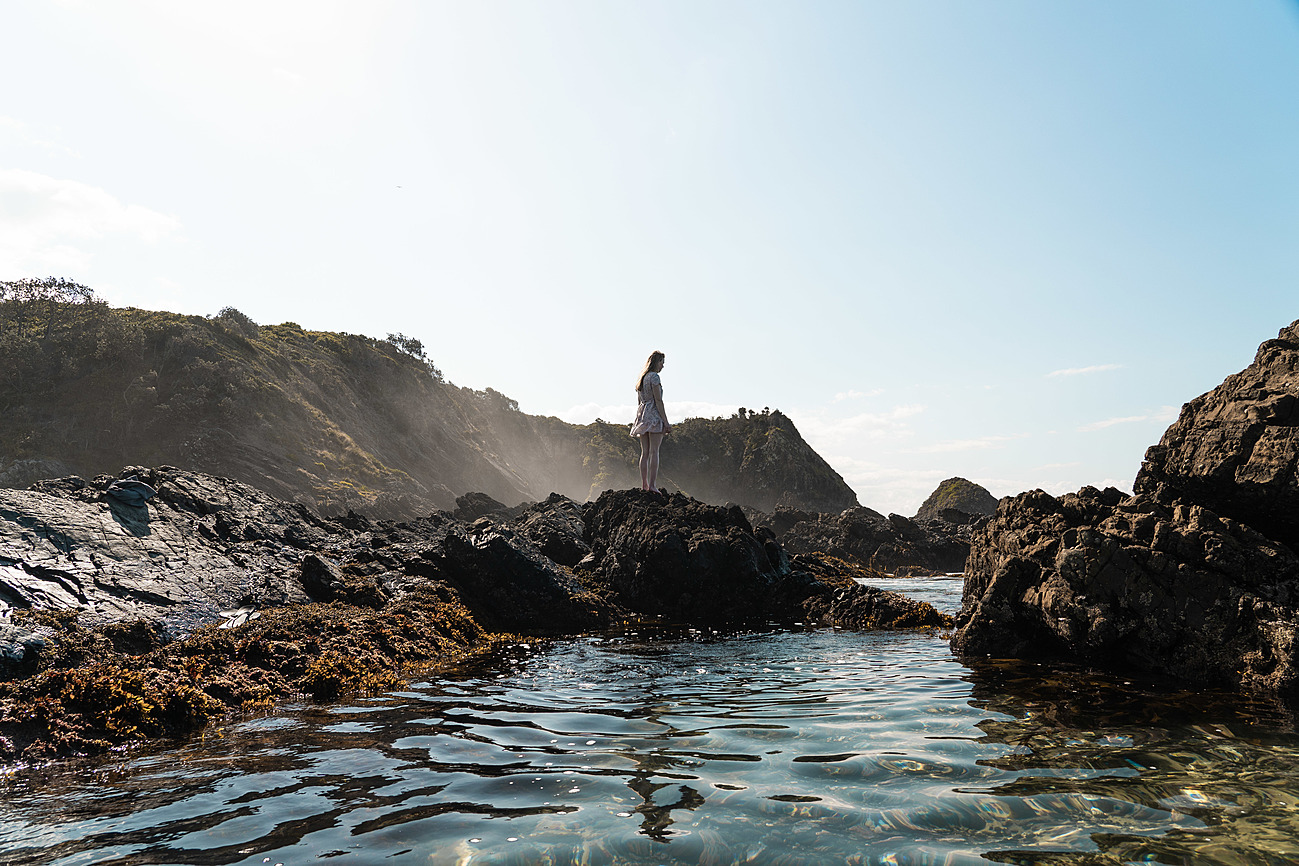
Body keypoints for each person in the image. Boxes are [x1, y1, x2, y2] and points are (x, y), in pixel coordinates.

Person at [629, 350, 671, 494]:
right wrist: (666, 422)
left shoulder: (642, 378)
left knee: (644, 453)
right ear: (656, 362)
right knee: (654, 452)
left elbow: (640, 402)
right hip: (654, 416)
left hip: (643, 415)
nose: (662, 366)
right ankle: (652, 485)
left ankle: (644, 484)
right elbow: (658, 400)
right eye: (661, 363)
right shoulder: (654, 377)